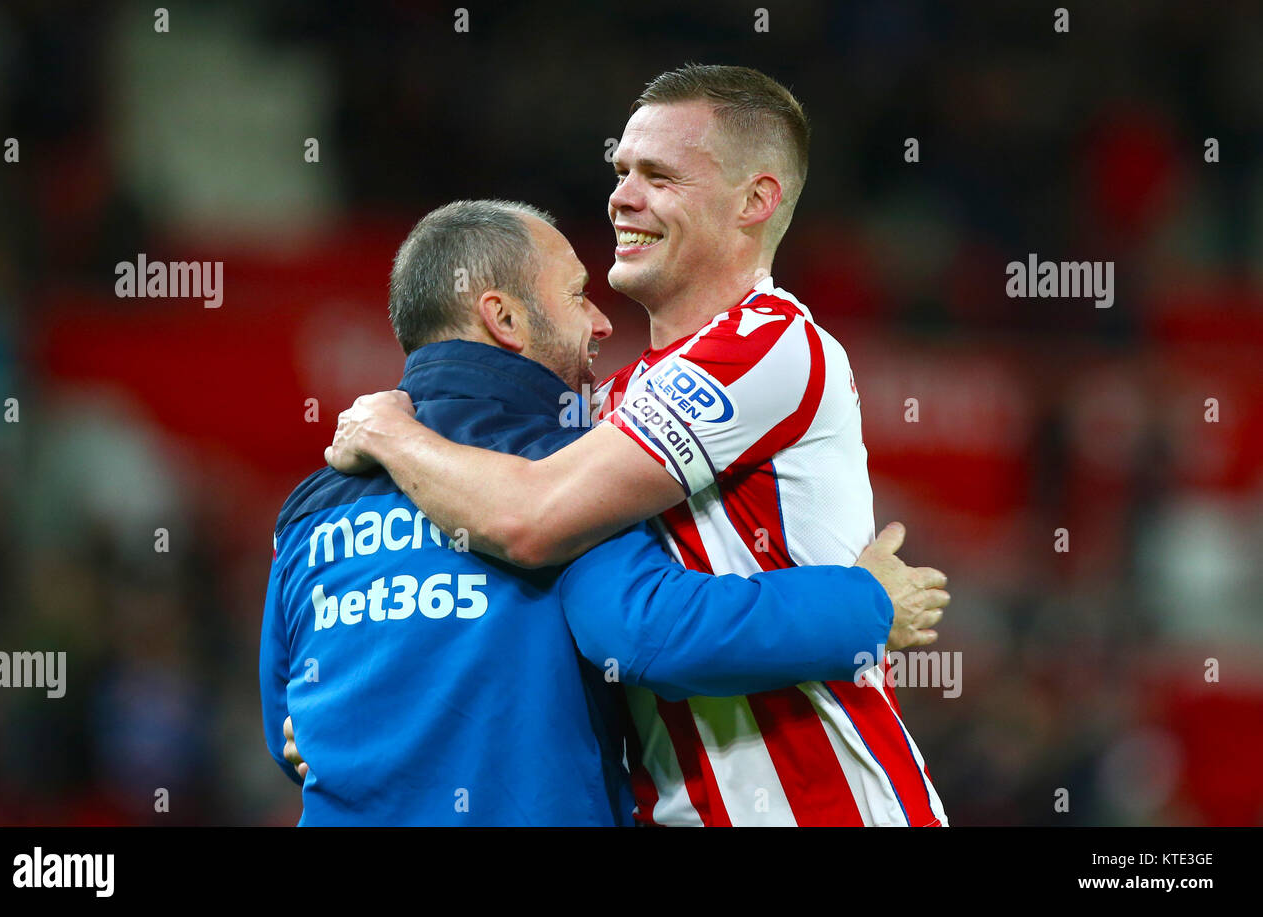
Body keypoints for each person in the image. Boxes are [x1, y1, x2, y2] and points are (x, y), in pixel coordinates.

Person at [325, 66, 949, 826]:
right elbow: (559, 609)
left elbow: (532, 522)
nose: (623, 196)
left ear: (755, 200)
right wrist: (354, 723)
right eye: (621, 170)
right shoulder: (607, 406)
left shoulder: (768, 343)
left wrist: (392, 433)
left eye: (659, 175)